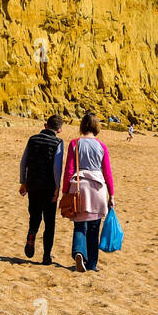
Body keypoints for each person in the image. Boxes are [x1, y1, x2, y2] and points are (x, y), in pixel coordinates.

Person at [61, 113, 115, 272]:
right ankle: (92, 264)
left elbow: (69, 169)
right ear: (96, 127)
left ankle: (79, 253)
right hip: (97, 189)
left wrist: (65, 192)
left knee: (79, 226)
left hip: (79, 187)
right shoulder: (101, 146)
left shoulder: (74, 143)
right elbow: (107, 173)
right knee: (94, 228)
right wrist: (111, 195)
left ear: (82, 126)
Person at [19, 114, 64, 265]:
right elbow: (57, 168)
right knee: (49, 223)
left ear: (45, 125)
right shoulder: (58, 142)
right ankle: (46, 256)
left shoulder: (33, 139)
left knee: (35, 216)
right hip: (49, 187)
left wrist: (23, 183)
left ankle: (31, 234)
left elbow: (23, 162)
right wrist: (57, 188)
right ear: (59, 129)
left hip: (33, 185)